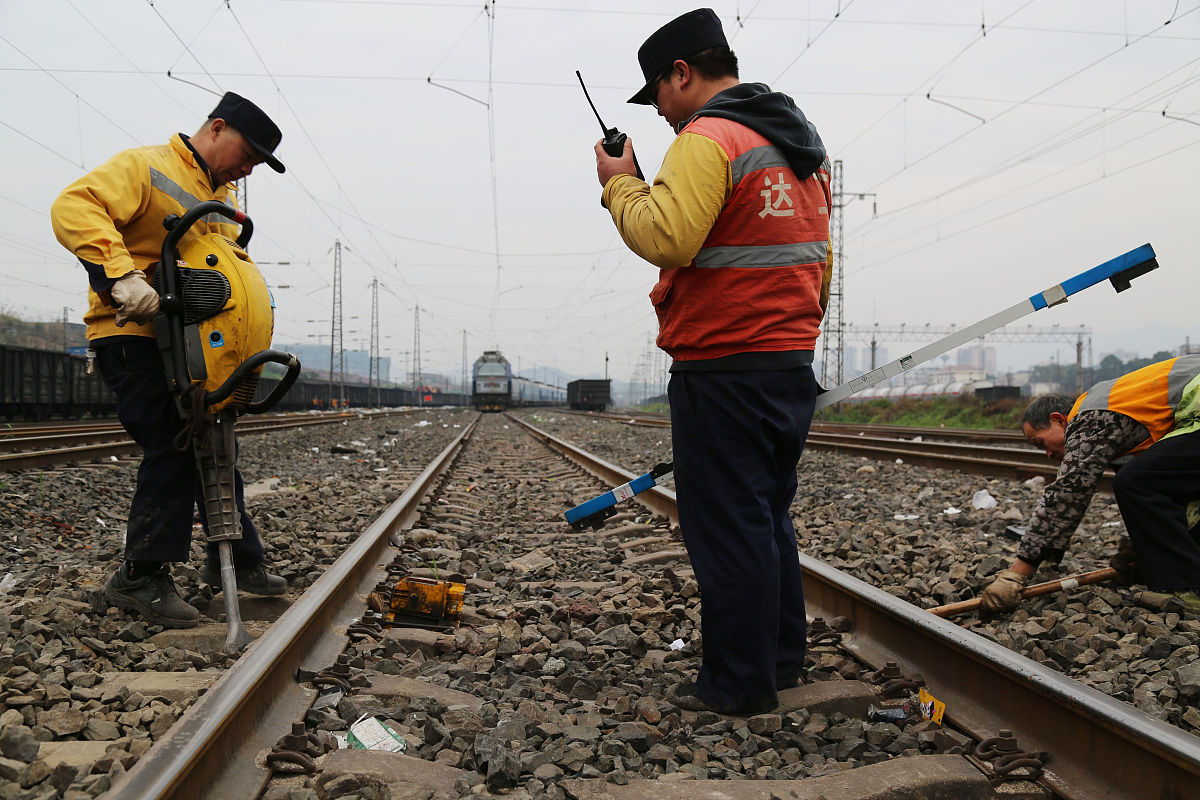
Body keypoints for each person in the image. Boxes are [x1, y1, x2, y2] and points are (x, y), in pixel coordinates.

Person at [593, 8, 832, 714]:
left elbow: (668, 238)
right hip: (786, 363)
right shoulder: (794, 141)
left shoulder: (708, 138)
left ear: (681, 73)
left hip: (724, 365)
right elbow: (817, 260)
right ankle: (780, 662)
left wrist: (619, 184)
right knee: (766, 518)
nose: (661, 113)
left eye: (657, 96)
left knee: (728, 529)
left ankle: (738, 686)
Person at [51, 92, 289, 629]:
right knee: (175, 444)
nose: (249, 168)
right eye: (248, 154)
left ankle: (236, 558)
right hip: (134, 336)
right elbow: (74, 206)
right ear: (217, 128)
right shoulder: (146, 167)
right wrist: (120, 276)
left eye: (258, 162)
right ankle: (139, 577)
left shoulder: (223, 201)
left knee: (214, 439)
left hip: (194, 346)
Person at [981, 354, 1200, 615]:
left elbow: (1067, 496)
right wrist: (1144, 553)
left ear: (1059, 420)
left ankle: (1182, 588)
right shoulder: (1122, 424)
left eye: (1041, 442)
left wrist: (1017, 573)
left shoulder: (1088, 418)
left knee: (1134, 482)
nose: (1047, 454)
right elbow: (1169, 502)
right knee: (1148, 482)